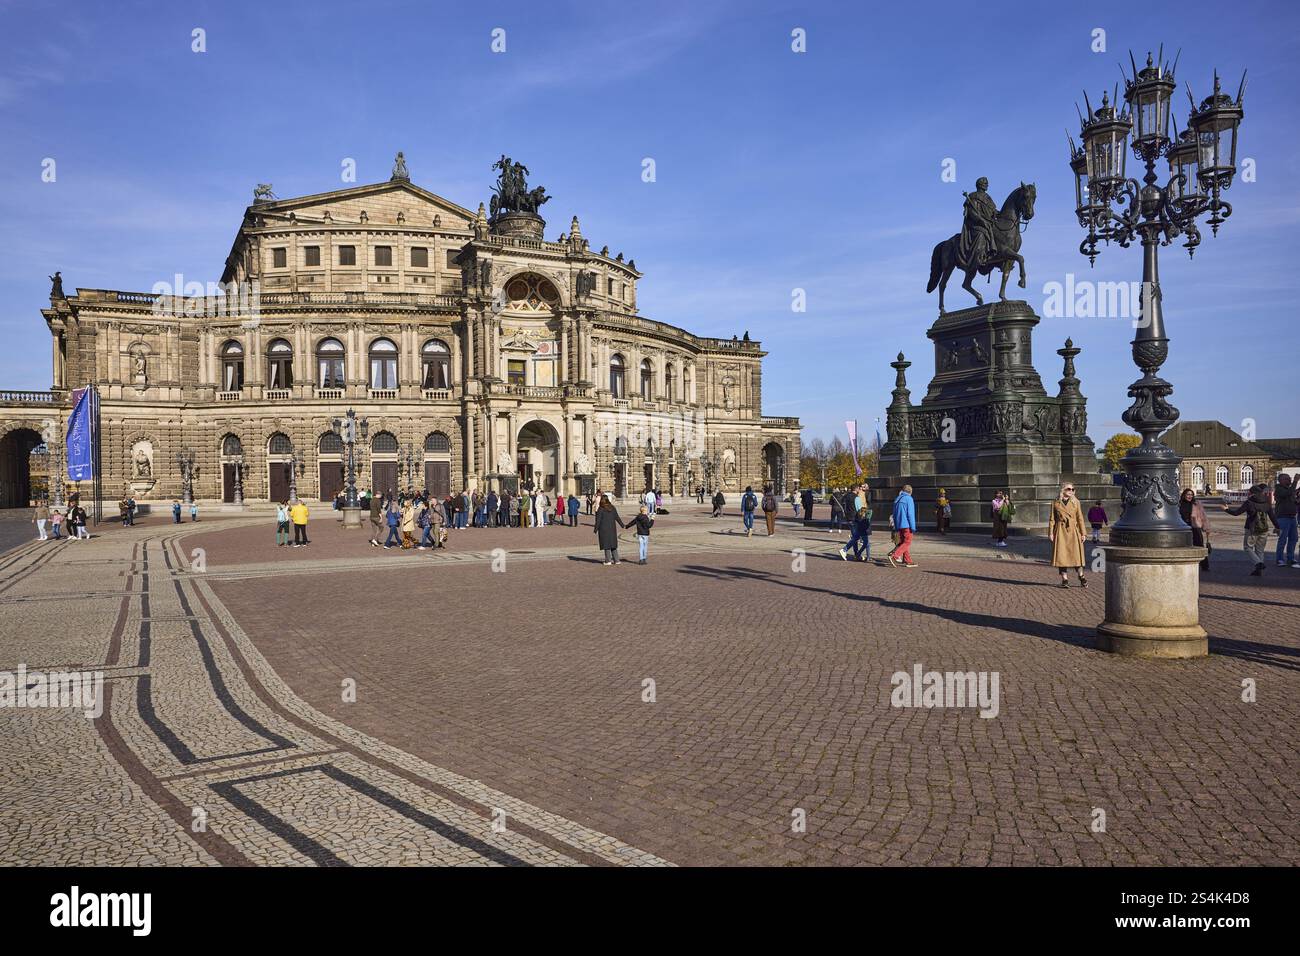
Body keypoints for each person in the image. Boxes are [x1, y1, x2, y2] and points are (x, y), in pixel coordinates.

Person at [1224, 484, 1279, 577]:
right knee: (1260, 550)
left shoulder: (1249, 502)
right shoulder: (1267, 502)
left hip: (1251, 529)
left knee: (1248, 547)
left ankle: (1258, 563)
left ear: (1251, 493)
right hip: (1264, 529)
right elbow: (1272, 516)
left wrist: (1227, 509)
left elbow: (1236, 513)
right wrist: (1277, 527)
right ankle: (1258, 571)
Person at [1048, 482, 1087, 588]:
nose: (1071, 491)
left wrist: (1083, 533)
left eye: (1073, 489)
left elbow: (1080, 518)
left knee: (1076, 555)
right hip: (1060, 530)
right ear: (1063, 490)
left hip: (1073, 531)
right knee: (1062, 556)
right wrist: (1051, 533)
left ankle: (1081, 576)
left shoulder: (1076, 502)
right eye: (1069, 489)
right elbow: (1052, 519)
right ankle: (1065, 580)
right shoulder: (1055, 502)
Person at [1179, 488, 1211, 572]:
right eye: (1188, 494)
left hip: (1195, 527)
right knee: (1184, 546)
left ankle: (1205, 566)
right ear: (1184, 495)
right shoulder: (1179, 504)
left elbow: (1203, 516)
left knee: (1199, 545)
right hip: (1183, 528)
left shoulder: (1196, 504)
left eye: (1191, 495)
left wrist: (1206, 527)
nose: (1190, 496)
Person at [839, 485, 872, 561]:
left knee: (855, 537)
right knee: (856, 537)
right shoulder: (856, 498)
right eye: (858, 488)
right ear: (856, 489)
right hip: (855, 519)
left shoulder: (846, 497)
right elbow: (860, 510)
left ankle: (856, 554)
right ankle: (844, 550)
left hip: (848, 519)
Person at [887, 484, 917, 568]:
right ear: (910, 492)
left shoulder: (897, 499)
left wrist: (896, 525)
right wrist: (913, 526)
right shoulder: (909, 499)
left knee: (904, 542)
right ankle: (895, 555)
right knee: (907, 542)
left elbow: (894, 514)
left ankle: (908, 561)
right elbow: (910, 514)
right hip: (906, 524)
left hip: (899, 524)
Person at [1273, 473, 1298, 568]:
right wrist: (1295, 481)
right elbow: (1287, 494)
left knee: (1293, 539)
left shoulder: (1289, 489)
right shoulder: (1279, 489)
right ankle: (1279, 559)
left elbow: (1292, 498)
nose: (1290, 480)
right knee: (1282, 539)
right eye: (1287, 479)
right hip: (1283, 517)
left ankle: (1290, 558)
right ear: (1281, 480)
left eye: (1290, 479)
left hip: (1292, 517)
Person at [594, 495, 625, 565]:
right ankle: (616, 560)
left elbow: (598, 520)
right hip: (612, 528)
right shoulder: (612, 507)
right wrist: (622, 525)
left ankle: (608, 560)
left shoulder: (601, 509)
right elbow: (617, 517)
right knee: (613, 544)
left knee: (606, 544)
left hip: (604, 529)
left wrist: (595, 529)